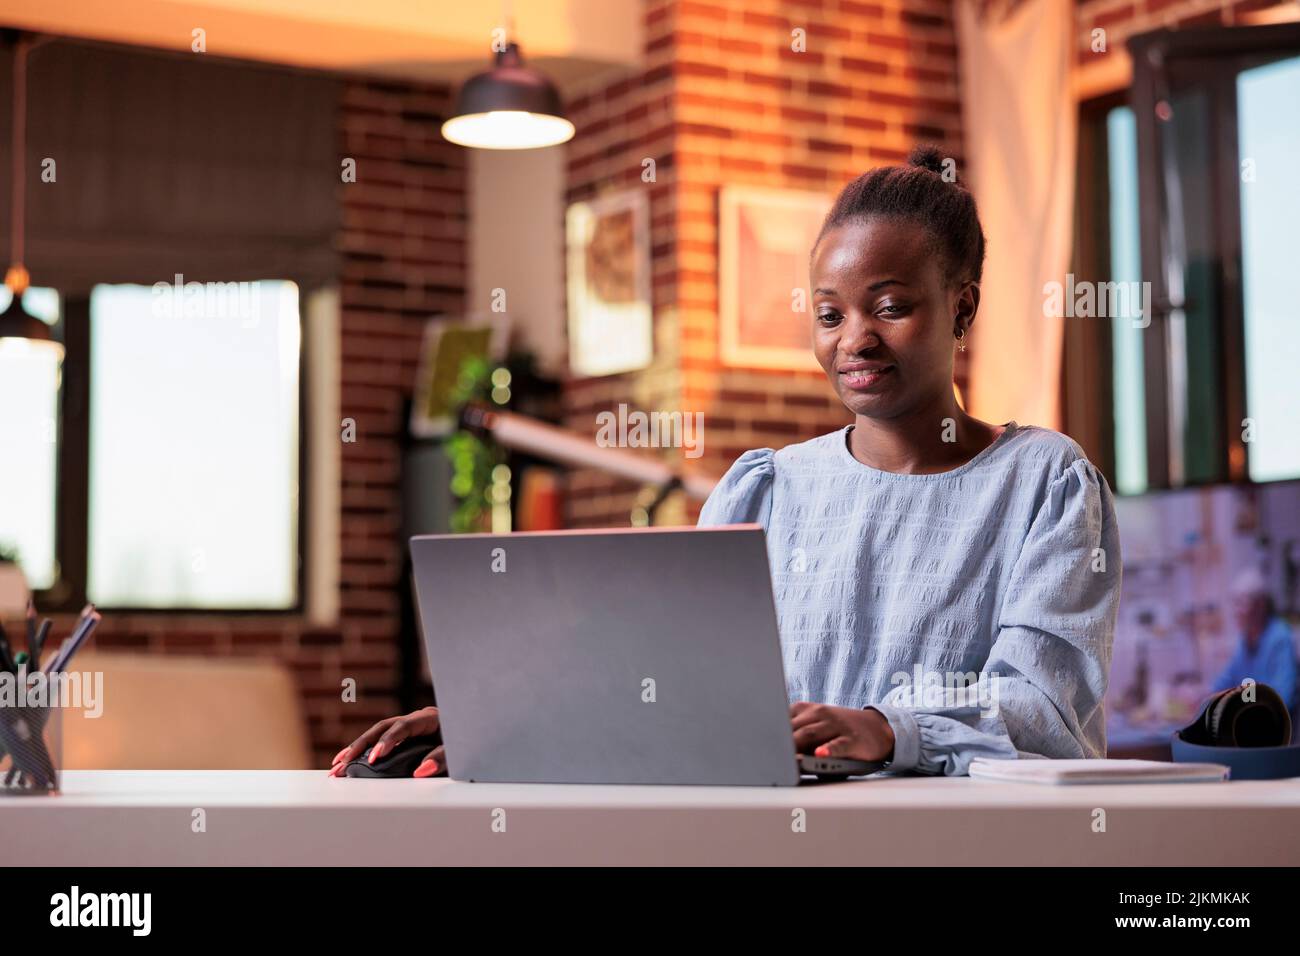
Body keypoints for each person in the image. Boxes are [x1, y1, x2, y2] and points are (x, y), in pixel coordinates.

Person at [330, 145, 1122, 779]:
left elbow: (1048, 715)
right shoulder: (767, 490)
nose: (855, 339)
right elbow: (663, 683)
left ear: (963, 308)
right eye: (829, 313)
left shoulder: (1044, 483)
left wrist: (888, 729)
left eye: (890, 306)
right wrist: (499, 712)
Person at [1211, 565, 1296, 710]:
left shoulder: (1279, 637)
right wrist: (1203, 695)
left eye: (1241, 603)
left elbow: (1283, 697)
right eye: (1234, 602)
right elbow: (1226, 681)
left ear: (1260, 605)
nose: (1235, 611)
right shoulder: (1244, 640)